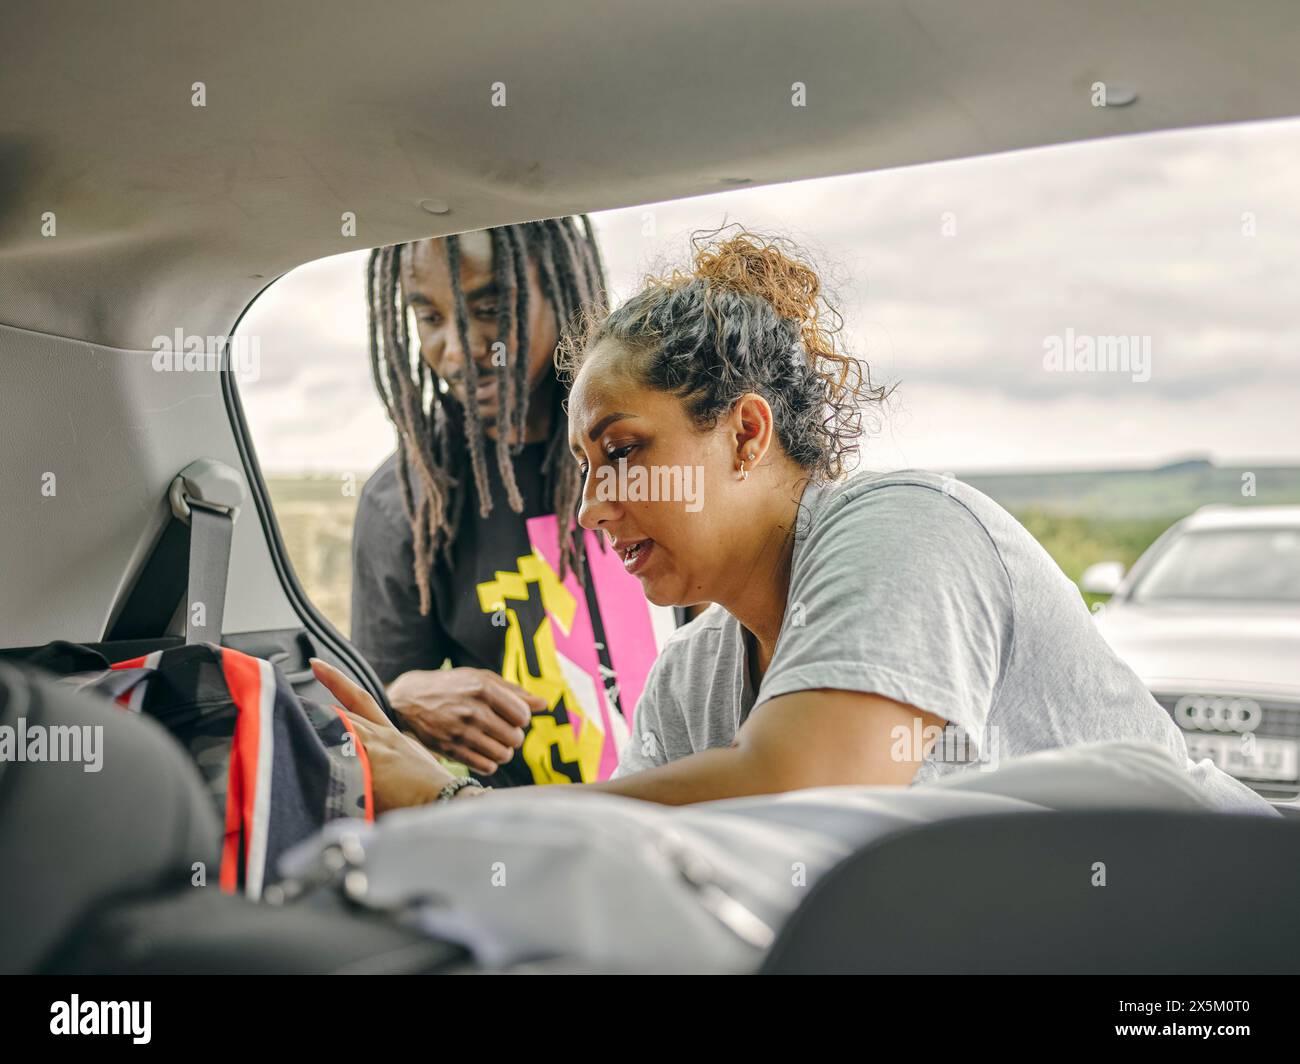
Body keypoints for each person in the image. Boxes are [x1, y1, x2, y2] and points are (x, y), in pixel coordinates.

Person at [330, 226, 1275, 817]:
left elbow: (808, 783)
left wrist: (452, 808)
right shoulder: (687, 687)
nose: (591, 507)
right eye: (582, 469)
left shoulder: (908, 529)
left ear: (745, 433)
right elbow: (627, 846)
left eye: (621, 451)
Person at [351, 218, 672, 789]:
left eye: (491, 308)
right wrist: (396, 699)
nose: (458, 351)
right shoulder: (406, 504)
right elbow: (369, 732)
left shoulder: (651, 442)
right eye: (429, 317)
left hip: (707, 823)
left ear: (563, 293)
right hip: (530, 852)